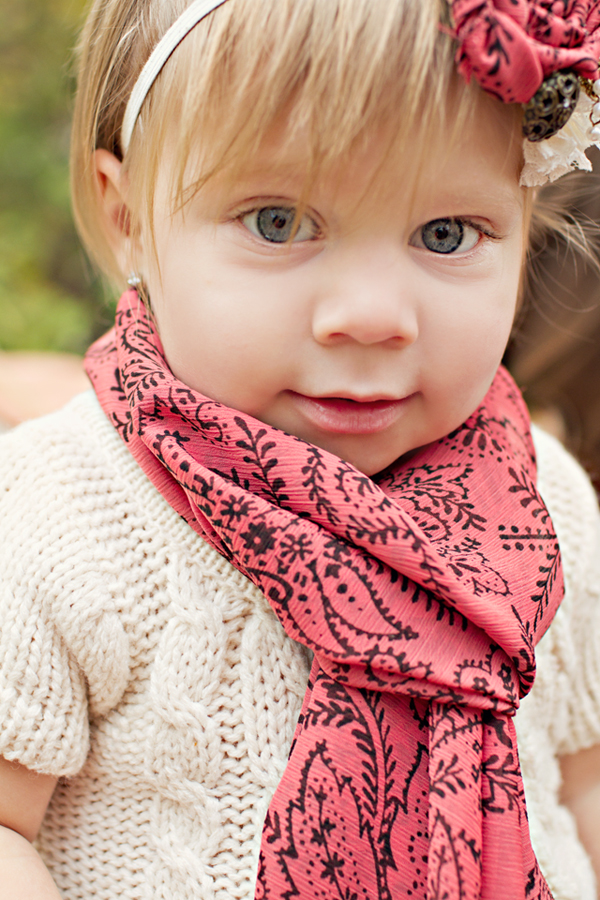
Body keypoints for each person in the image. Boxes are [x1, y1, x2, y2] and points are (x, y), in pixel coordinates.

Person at [2, 1, 600, 897]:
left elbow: (582, 789)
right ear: (127, 218)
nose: (369, 316)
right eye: (278, 223)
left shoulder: (542, 506)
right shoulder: (66, 509)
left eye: (447, 234)